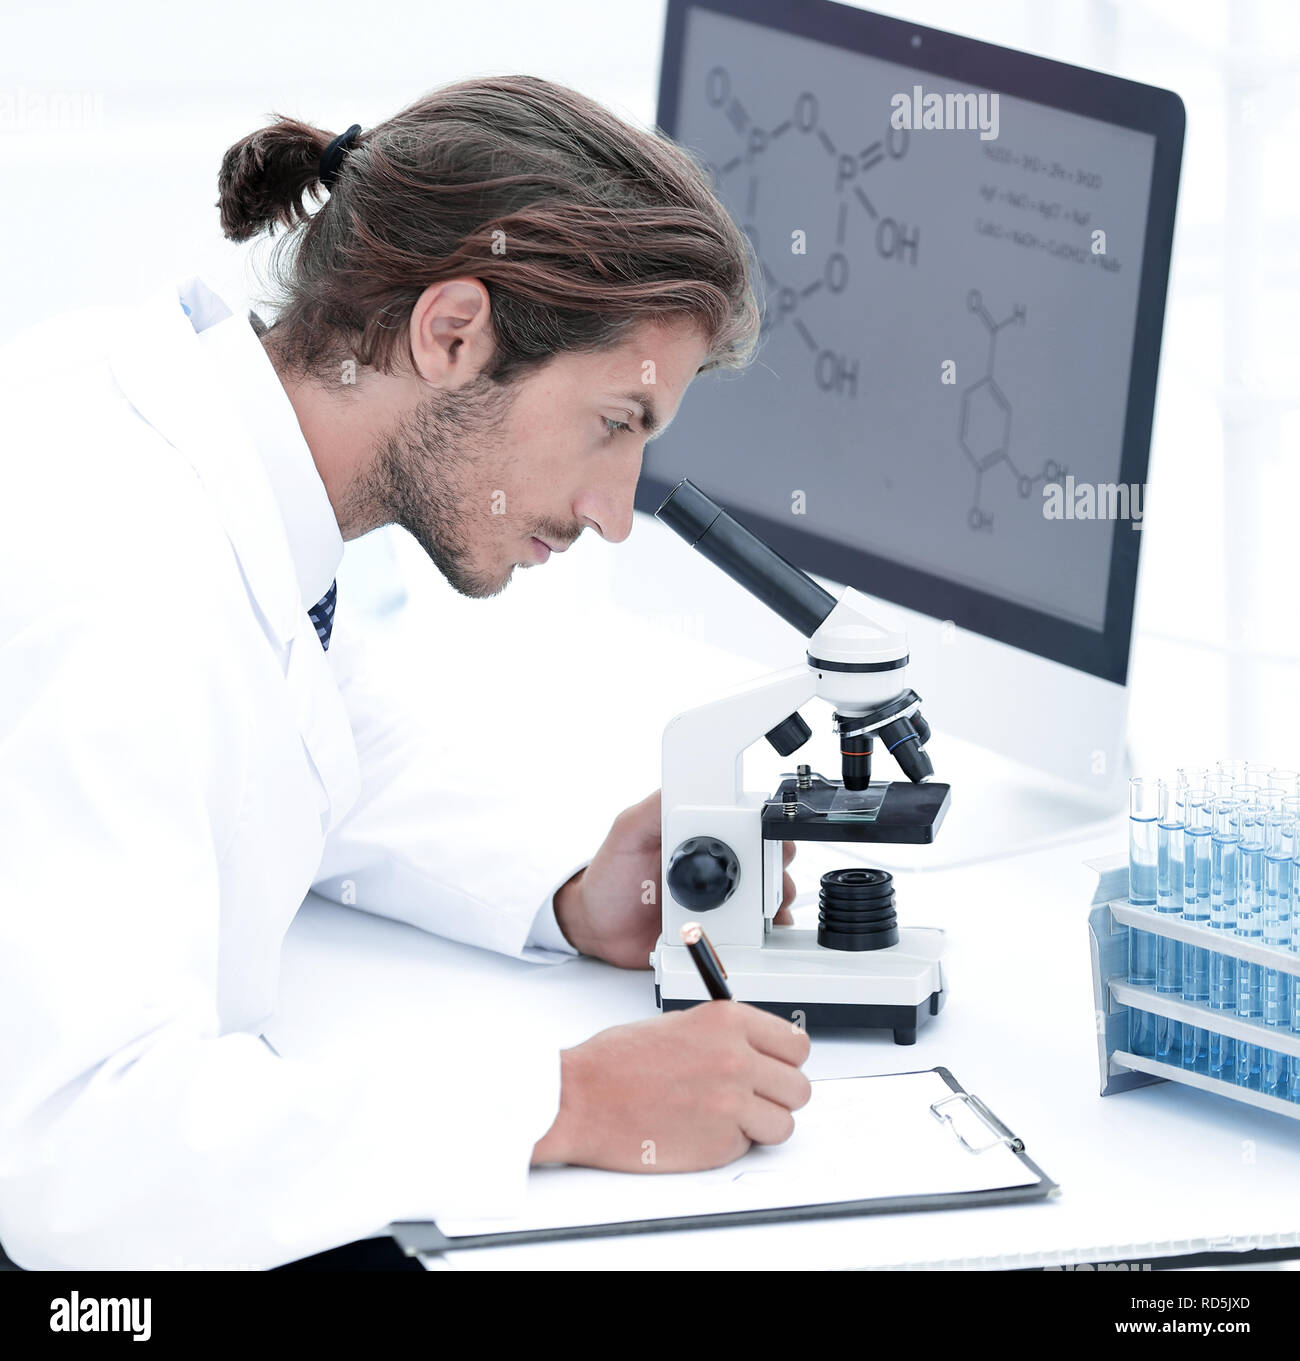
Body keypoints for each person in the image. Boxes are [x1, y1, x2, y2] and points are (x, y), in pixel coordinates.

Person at [0, 75, 810, 1270]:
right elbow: (81, 1161)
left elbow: (301, 726)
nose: (615, 510)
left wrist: (570, 891)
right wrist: (565, 1104)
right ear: (451, 332)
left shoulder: (187, 421)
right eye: (614, 422)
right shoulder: (124, 575)